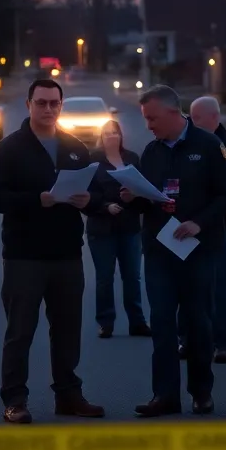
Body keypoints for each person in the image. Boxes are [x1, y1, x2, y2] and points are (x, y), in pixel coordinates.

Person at [0, 78, 106, 424]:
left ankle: (69, 395)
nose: (48, 109)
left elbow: (97, 196)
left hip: (67, 254)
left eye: (54, 103)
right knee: (20, 331)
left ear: (61, 105)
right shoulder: (10, 148)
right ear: (29, 105)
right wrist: (35, 201)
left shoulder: (75, 148)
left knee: (67, 329)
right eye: (41, 103)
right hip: (24, 255)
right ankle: (15, 400)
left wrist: (89, 201)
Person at [119, 85, 226, 418]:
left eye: (152, 118)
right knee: (162, 323)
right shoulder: (152, 151)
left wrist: (199, 223)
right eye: (145, 119)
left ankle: (201, 393)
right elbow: (151, 197)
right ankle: (164, 395)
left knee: (198, 322)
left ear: (173, 113)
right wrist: (133, 197)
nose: (148, 125)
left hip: (198, 249)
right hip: (159, 249)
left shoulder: (211, 146)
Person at [188, 96, 226, 363]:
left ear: (214, 117)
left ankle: (224, 342)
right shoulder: (190, 144)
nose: (192, 123)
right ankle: (194, 340)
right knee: (193, 287)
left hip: (222, 227)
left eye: (197, 118)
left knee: (221, 286)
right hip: (192, 227)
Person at [87, 119, 150, 339]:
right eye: (107, 133)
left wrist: (133, 197)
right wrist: (104, 206)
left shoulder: (132, 158)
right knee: (105, 277)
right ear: (101, 137)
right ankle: (105, 322)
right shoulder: (93, 160)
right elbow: (86, 195)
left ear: (121, 135)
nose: (111, 136)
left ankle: (137, 322)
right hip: (101, 228)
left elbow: (144, 190)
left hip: (130, 226)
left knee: (132, 276)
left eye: (115, 132)